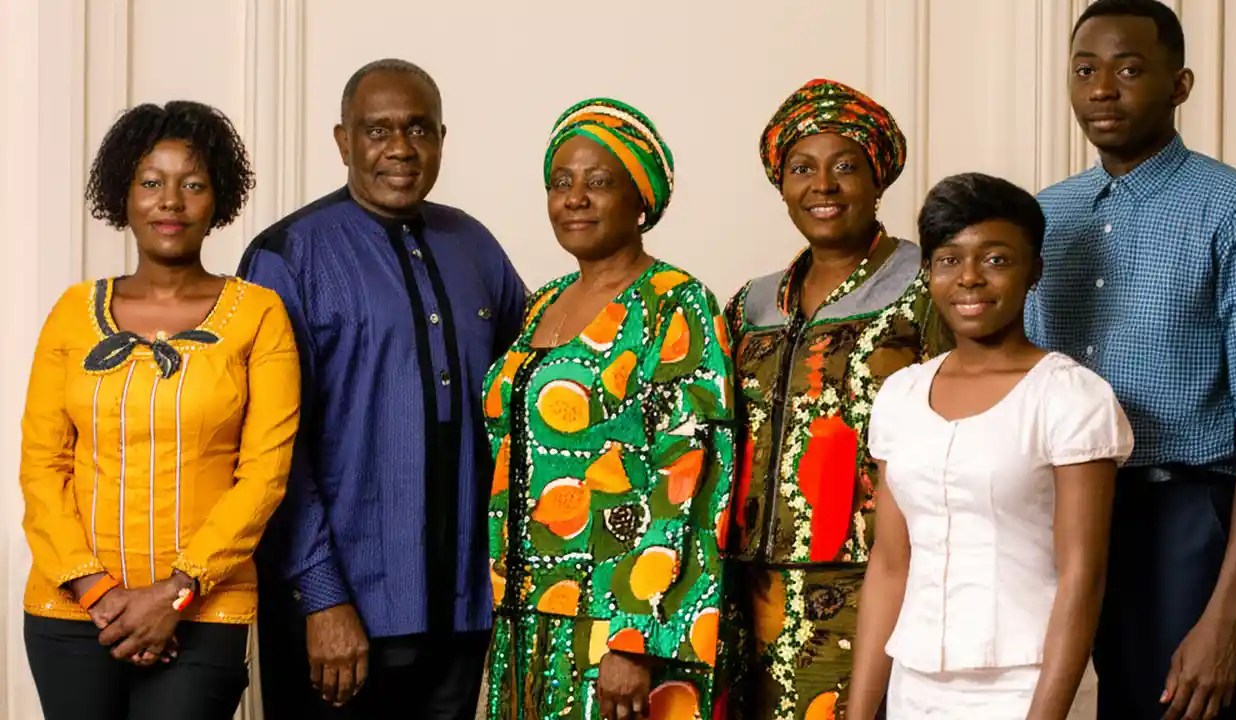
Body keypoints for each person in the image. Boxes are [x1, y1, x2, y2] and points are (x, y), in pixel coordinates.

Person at [238, 58, 526, 718]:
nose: (400, 148)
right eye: (378, 130)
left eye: (419, 129)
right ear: (343, 141)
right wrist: (321, 595)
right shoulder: (288, 256)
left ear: (442, 139)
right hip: (342, 616)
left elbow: (536, 385)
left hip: (460, 609)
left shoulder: (474, 246)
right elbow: (271, 446)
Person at [1025, 2, 1236, 718]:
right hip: (1061, 512)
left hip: (1184, 514)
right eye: (1085, 70)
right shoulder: (1044, 217)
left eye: (1130, 69)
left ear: (1181, 84)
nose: (1103, 88)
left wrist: (1225, 616)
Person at [19, 100, 300, 720]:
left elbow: (264, 476)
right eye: (151, 182)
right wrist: (99, 594)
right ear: (123, 194)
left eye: (192, 184)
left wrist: (171, 597)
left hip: (205, 610)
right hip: (71, 613)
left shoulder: (258, 314)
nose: (169, 201)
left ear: (218, 199)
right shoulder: (72, 311)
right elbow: (42, 467)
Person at [481, 97, 735, 720]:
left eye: (599, 182)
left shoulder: (674, 304)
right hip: (527, 614)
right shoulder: (541, 304)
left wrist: (634, 636)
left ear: (640, 199)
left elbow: (690, 479)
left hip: (616, 617)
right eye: (561, 183)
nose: (575, 198)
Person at [846, 173, 1133, 719]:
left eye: (996, 259)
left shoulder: (1070, 397)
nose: (970, 279)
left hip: (1030, 684)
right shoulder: (900, 397)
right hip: (916, 684)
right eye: (949, 260)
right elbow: (890, 564)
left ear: (1034, 273)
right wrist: (861, 713)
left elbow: (1083, 575)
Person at [716, 78, 945, 720]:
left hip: (872, 580)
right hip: (747, 586)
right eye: (802, 169)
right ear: (781, 183)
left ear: (877, 178)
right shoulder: (749, 303)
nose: (823, 185)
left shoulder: (929, 284)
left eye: (845, 166)